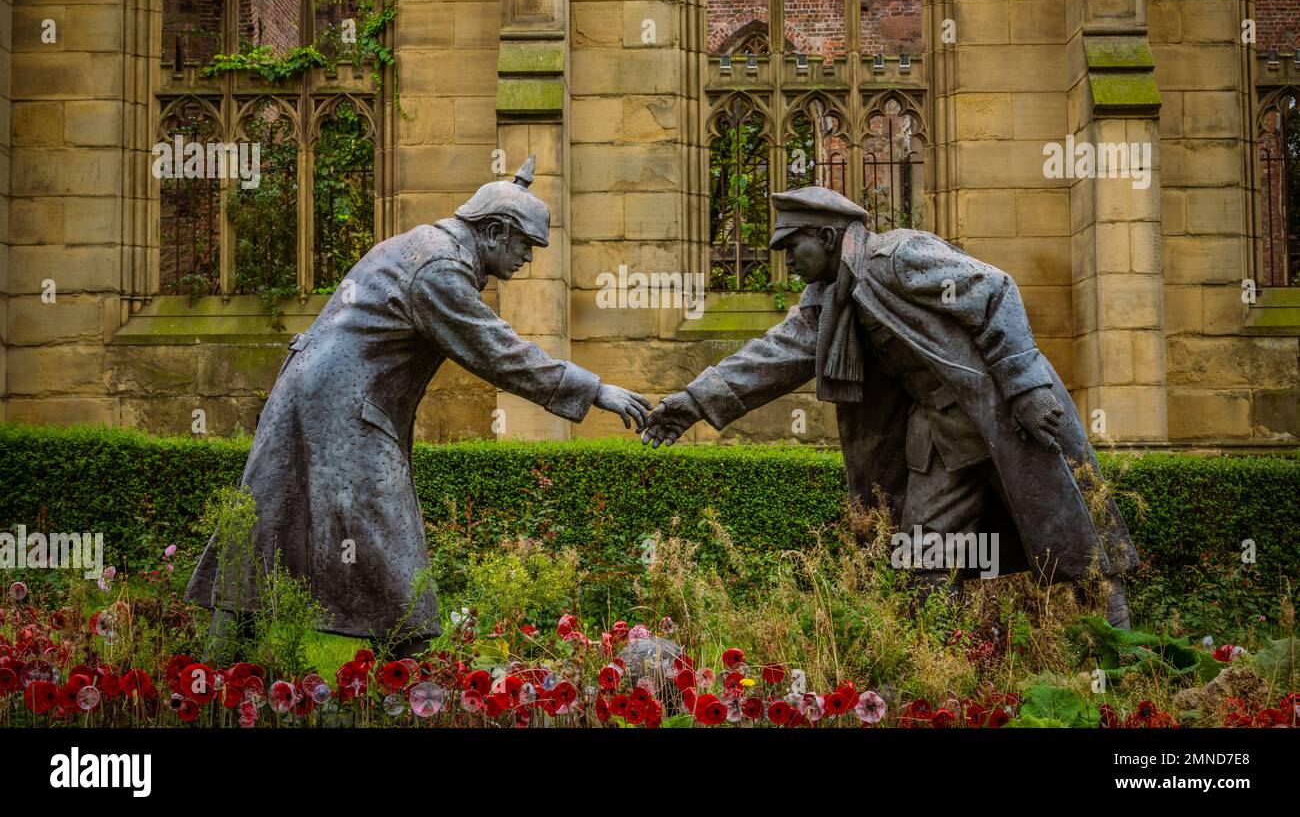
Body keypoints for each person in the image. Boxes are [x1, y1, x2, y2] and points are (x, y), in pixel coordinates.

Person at [187, 157, 650, 657]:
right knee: (385, 536)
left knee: (271, 520)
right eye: (525, 246)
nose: (528, 260)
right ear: (494, 231)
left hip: (306, 395)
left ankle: (227, 669)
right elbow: (496, 351)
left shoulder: (419, 245)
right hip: (345, 408)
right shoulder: (439, 267)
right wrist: (595, 389)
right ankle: (408, 679)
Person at [642, 186, 1137, 628]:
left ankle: (1121, 659)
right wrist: (692, 402)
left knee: (1076, 545)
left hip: (1003, 417)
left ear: (829, 238)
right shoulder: (827, 299)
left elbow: (995, 290)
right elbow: (770, 356)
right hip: (941, 439)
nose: (786, 260)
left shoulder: (897, 255)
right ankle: (944, 679)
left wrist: (1027, 388)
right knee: (923, 557)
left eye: (793, 246)